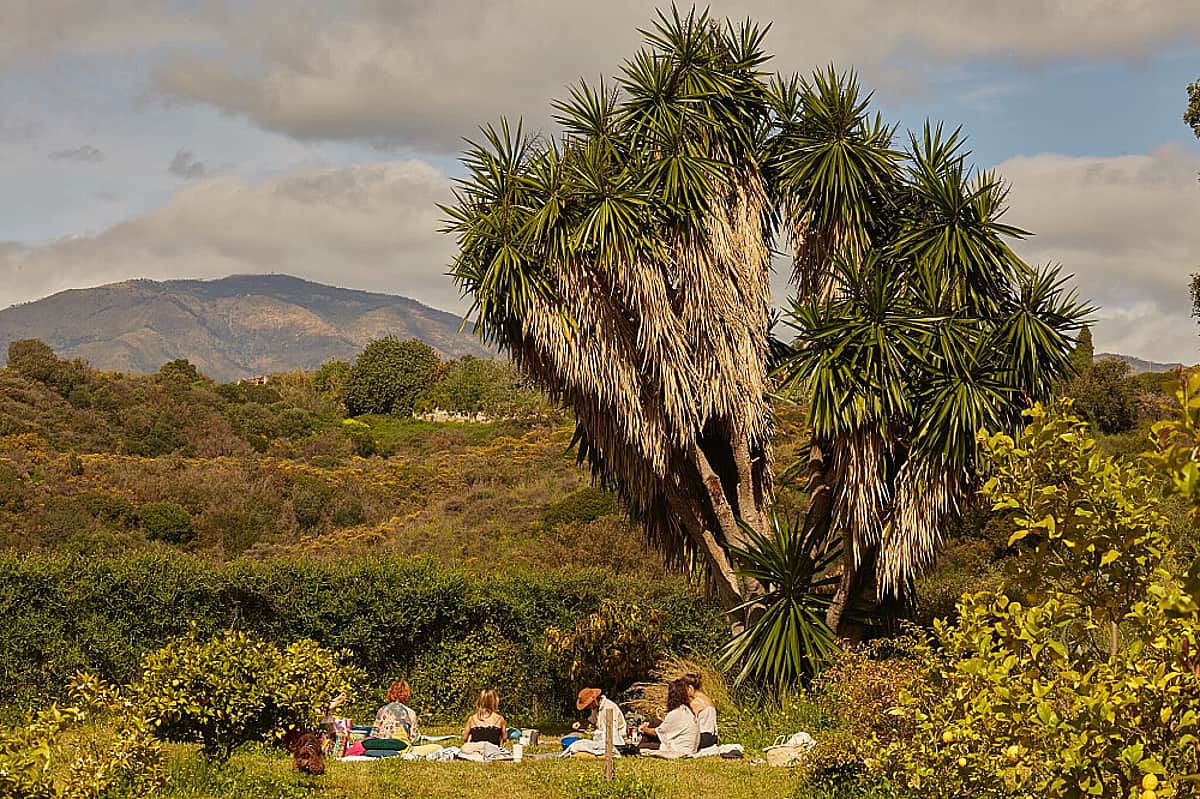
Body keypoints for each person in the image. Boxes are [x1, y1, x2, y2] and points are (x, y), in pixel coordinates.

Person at [637, 678, 698, 755]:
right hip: (688, 746)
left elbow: (657, 732)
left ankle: (639, 745)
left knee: (642, 746)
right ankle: (642, 743)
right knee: (655, 722)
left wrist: (644, 729)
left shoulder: (676, 713)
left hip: (679, 748)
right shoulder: (685, 710)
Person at [682, 672, 718, 749]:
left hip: (703, 737)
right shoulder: (707, 699)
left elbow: (686, 722)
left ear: (690, 688)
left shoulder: (696, 703)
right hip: (713, 737)